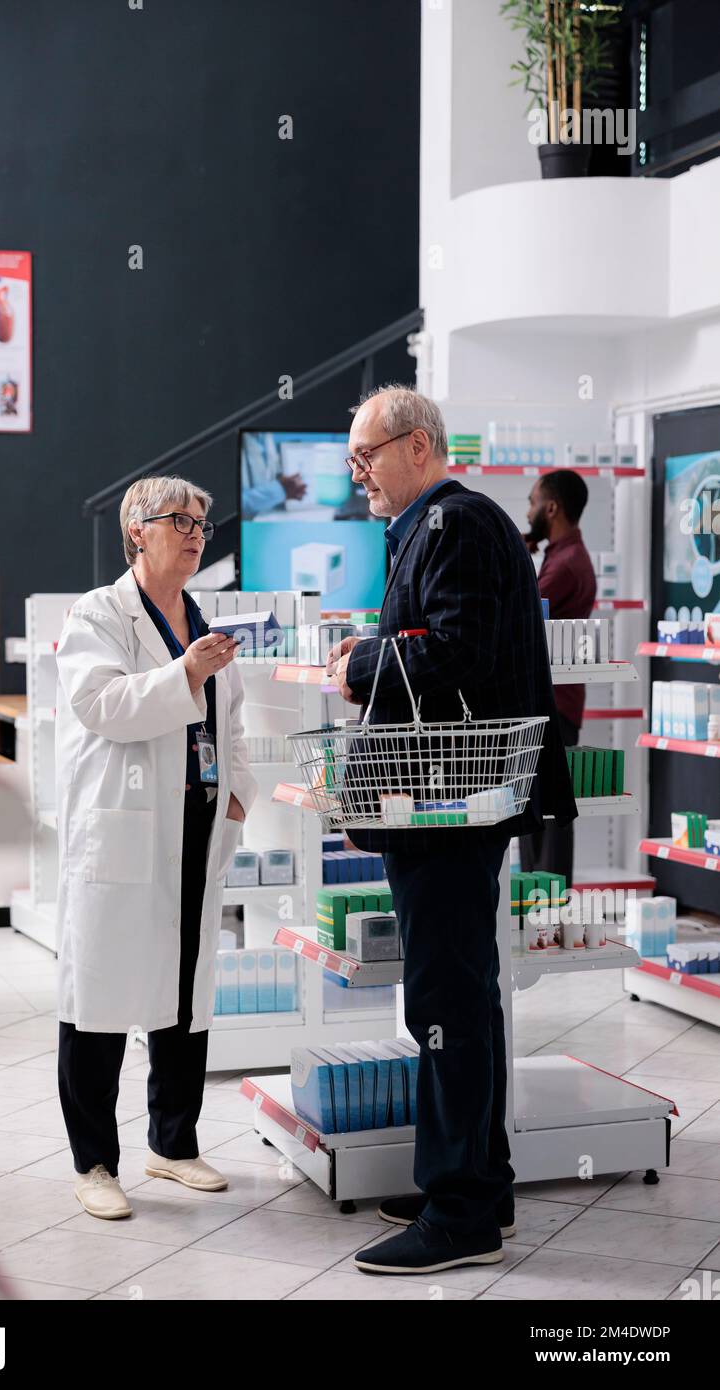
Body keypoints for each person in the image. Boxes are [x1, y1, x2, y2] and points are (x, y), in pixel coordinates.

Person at [326, 385, 575, 1276]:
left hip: (449, 806)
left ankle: (460, 1209)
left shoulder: (456, 524)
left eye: (369, 455)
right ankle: (477, 1183)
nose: (359, 474)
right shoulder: (441, 527)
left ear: (420, 447)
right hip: (439, 802)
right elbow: (442, 642)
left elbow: (457, 651)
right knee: (459, 996)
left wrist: (361, 661)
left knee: (445, 1003)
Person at [54, 476, 258, 1219]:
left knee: (182, 996)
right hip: (127, 828)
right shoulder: (98, 614)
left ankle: (173, 1145)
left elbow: (229, 716)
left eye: (203, 520)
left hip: (197, 824)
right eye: (180, 519)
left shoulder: (202, 615)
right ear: (137, 531)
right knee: (101, 998)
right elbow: (99, 704)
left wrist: (240, 787)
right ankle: (94, 1165)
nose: (197, 531)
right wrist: (186, 673)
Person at [519, 471, 597, 885]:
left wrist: (519, 555)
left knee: (548, 818)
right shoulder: (563, 555)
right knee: (537, 814)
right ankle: (536, 910)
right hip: (554, 701)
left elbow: (523, 613)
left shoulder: (566, 564)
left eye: (532, 502)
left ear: (551, 508)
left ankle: (545, 915)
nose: (528, 511)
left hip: (554, 706)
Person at [240, 431, 308, 517]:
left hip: (267, 515)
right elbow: (233, 504)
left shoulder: (265, 435)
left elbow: (270, 470)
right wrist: (280, 490)